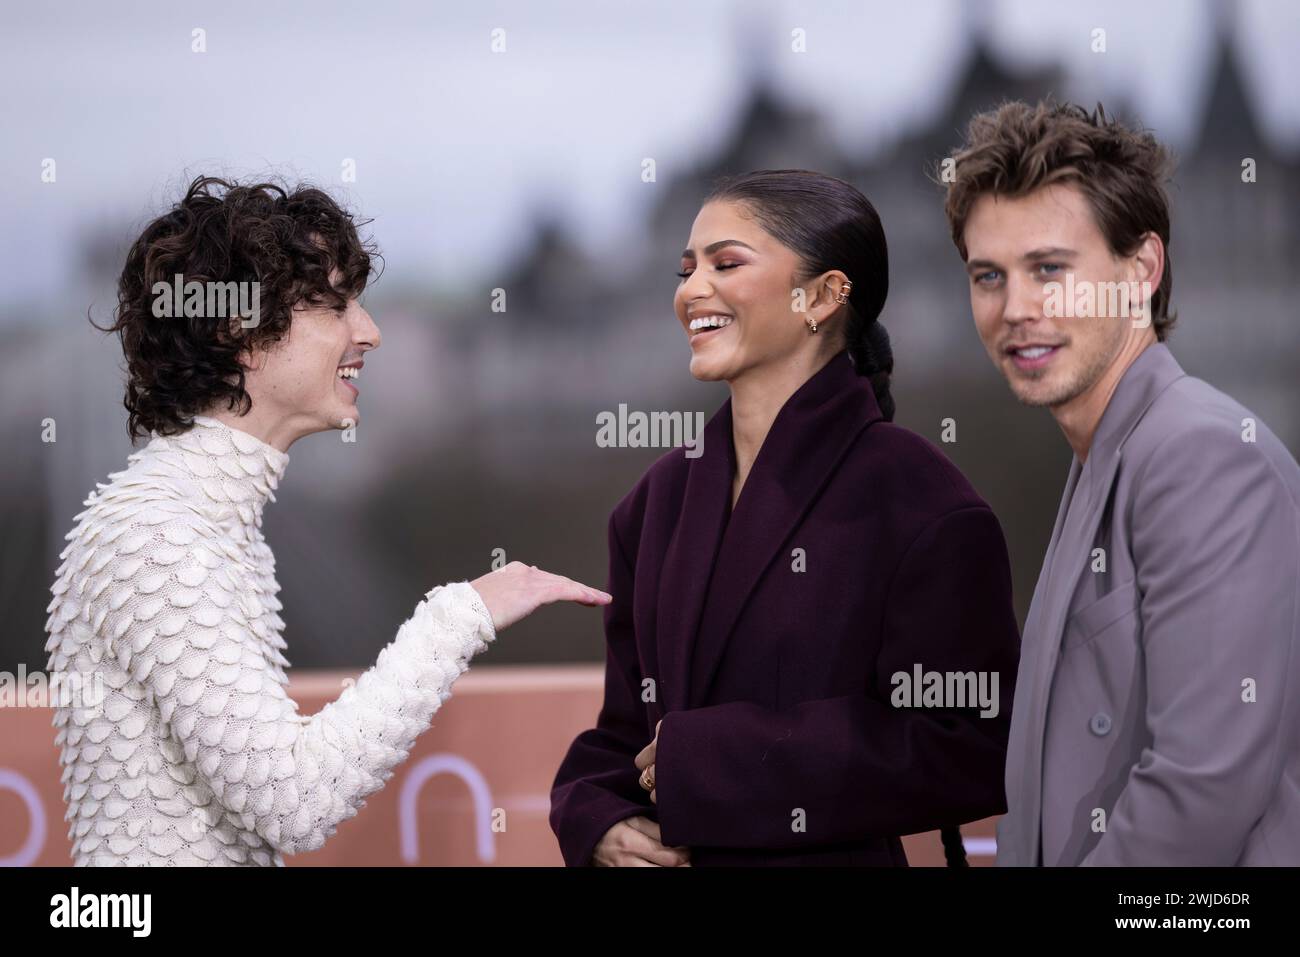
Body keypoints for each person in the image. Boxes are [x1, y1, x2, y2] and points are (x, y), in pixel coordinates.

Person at [45, 176, 609, 866]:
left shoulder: (198, 521)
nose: (368, 331)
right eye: (334, 303)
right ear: (237, 330)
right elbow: (295, 801)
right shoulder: (157, 535)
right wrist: (461, 615)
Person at [550, 169, 1021, 866]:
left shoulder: (924, 502)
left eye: (726, 263)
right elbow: (626, 735)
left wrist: (719, 760)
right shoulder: (651, 507)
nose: (691, 291)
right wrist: (595, 816)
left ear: (826, 296)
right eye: (687, 269)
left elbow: (973, 742)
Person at [943, 100, 1300, 865]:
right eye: (988, 276)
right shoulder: (1105, 457)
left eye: (1049, 268)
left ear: (1141, 269)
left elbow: (1199, 794)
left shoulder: (1202, 456)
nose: (1016, 309)